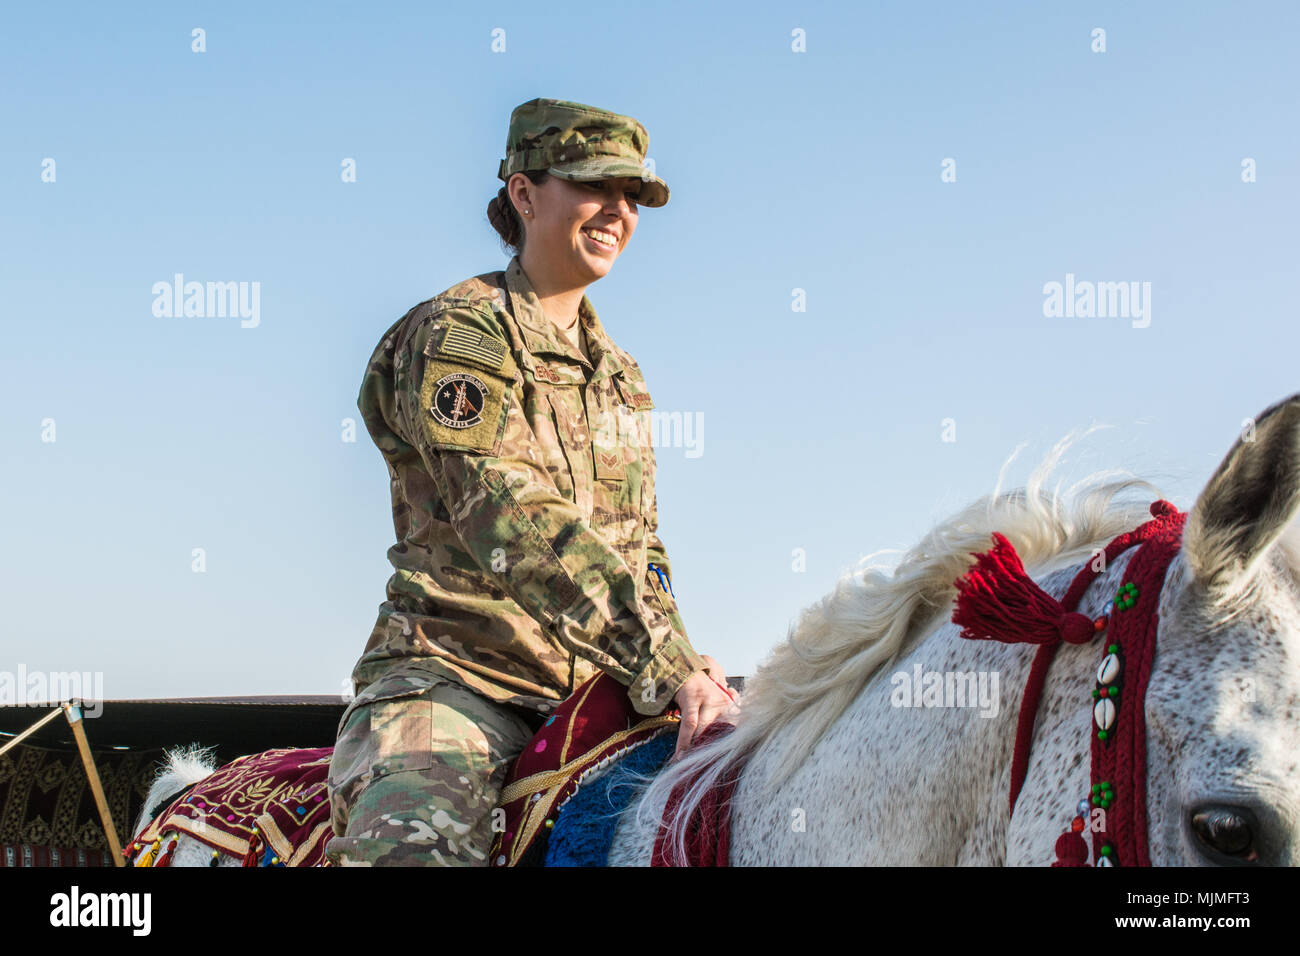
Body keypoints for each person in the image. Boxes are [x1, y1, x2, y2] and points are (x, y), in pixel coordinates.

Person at [325, 98, 737, 866]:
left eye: (633, 196)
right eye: (594, 186)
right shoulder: (461, 335)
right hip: (455, 684)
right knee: (415, 852)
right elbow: (509, 517)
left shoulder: (620, 377)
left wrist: (684, 658)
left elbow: (638, 547)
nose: (617, 210)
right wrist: (665, 662)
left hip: (601, 694)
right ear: (523, 193)